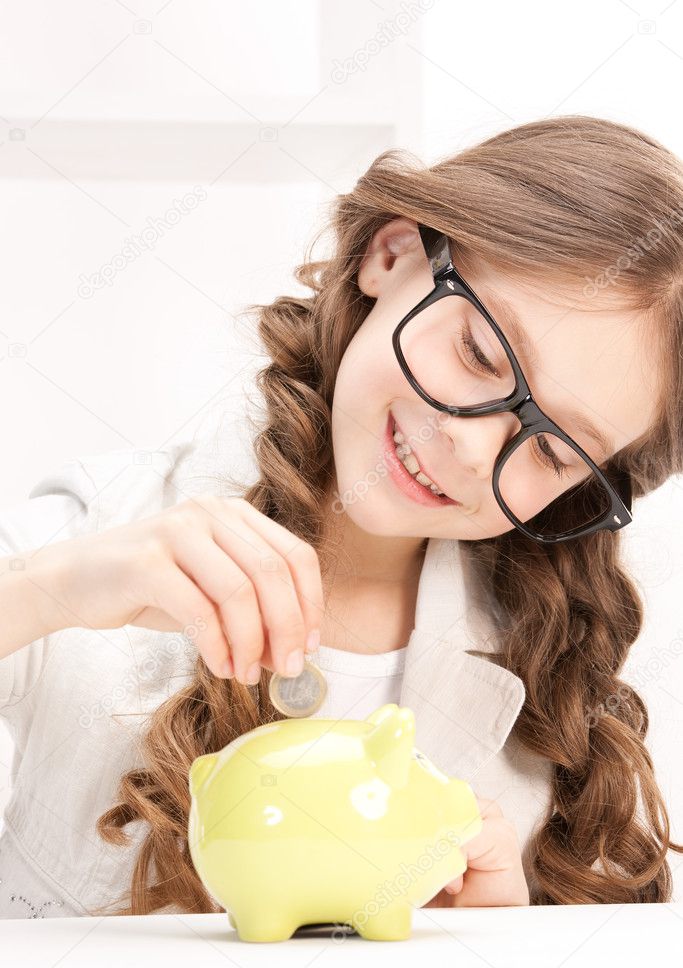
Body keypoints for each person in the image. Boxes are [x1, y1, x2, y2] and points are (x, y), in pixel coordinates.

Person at [1, 113, 681, 920]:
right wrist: (48, 592)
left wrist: (488, 949)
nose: (471, 449)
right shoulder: (104, 529)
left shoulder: (557, 682)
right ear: (389, 255)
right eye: (478, 355)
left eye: (555, 450)